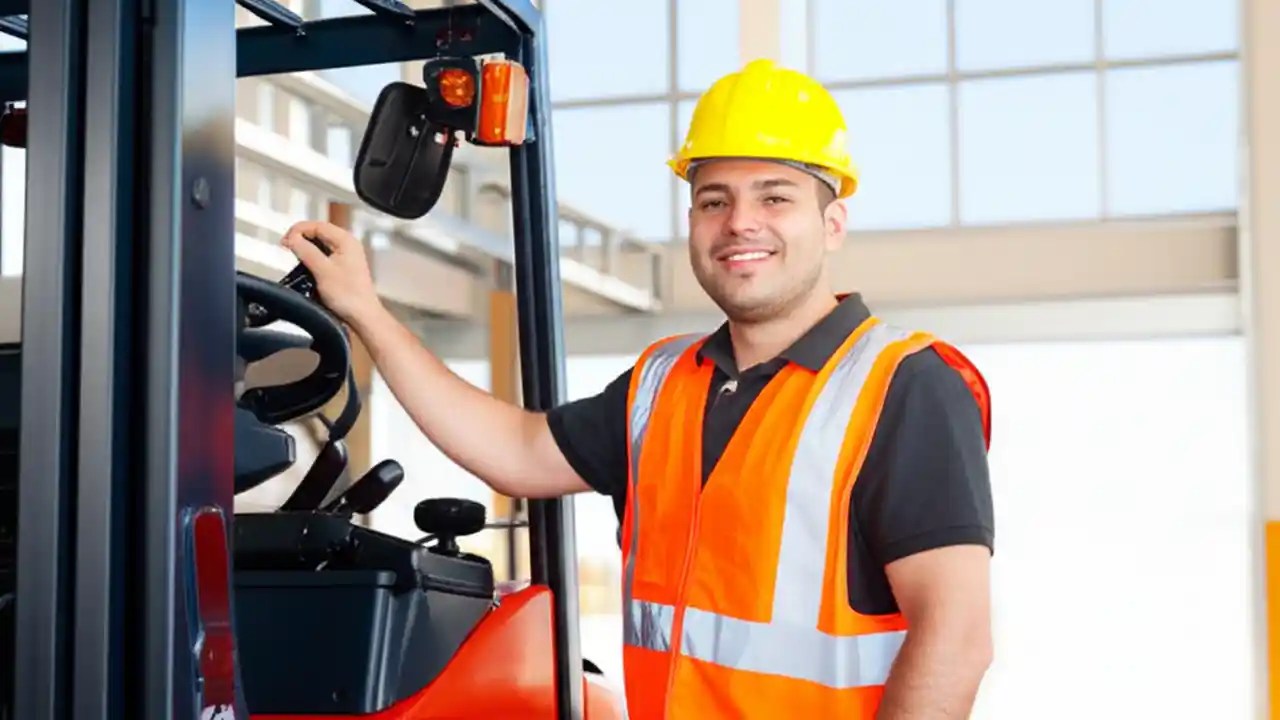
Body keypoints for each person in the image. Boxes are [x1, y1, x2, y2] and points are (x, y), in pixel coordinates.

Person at [282, 58, 995, 719]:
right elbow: (517, 451)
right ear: (691, 224)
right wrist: (366, 312)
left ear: (831, 223)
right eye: (714, 201)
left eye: (775, 197)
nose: (740, 222)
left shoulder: (904, 386)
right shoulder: (666, 382)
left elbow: (956, 640)